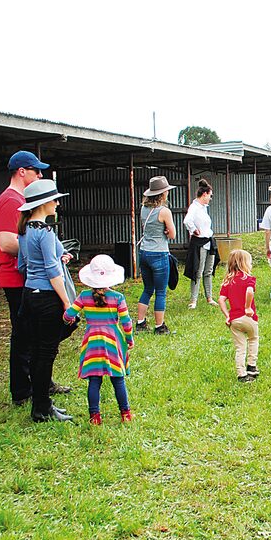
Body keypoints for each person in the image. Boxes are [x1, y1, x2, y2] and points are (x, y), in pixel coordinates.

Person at [0, 150, 69, 404]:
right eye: (36, 171)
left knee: (36, 337)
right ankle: (23, 390)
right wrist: (41, 251)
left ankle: (41, 383)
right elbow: (6, 242)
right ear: (22, 172)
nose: (40, 175)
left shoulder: (22, 201)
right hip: (17, 279)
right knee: (24, 336)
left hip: (27, 277)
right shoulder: (10, 200)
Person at [16, 179, 74, 423]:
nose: (57, 203)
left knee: (39, 351)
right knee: (46, 353)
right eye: (54, 199)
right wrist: (67, 302)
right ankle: (42, 407)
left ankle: (41, 405)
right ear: (44, 203)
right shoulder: (46, 232)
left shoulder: (26, 229)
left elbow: (23, 264)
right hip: (47, 298)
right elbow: (53, 272)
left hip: (29, 295)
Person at [63, 254, 134, 425]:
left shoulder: (84, 296)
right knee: (118, 379)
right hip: (112, 342)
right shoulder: (118, 298)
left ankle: (94, 417)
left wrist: (69, 319)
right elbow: (126, 322)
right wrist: (129, 339)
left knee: (94, 380)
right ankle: (125, 413)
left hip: (92, 342)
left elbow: (68, 315)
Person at [136, 176, 176, 335]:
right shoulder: (165, 211)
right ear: (162, 194)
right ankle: (159, 327)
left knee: (147, 289)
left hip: (144, 252)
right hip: (159, 253)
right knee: (160, 292)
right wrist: (166, 231)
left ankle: (140, 323)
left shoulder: (143, 209)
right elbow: (172, 234)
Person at [218, 250, 260, 383]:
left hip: (234, 320)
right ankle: (251, 366)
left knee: (240, 347)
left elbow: (221, 300)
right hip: (249, 318)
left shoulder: (227, 282)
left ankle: (241, 374)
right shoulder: (249, 279)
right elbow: (249, 291)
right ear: (245, 264)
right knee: (253, 339)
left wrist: (227, 316)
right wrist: (247, 307)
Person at [183, 178, 217, 310]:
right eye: (210, 195)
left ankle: (209, 297)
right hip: (199, 242)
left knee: (208, 271)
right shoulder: (194, 207)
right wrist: (193, 230)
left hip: (209, 241)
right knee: (198, 270)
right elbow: (187, 221)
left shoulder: (204, 208)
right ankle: (194, 299)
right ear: (204, 194)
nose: (210, 198)